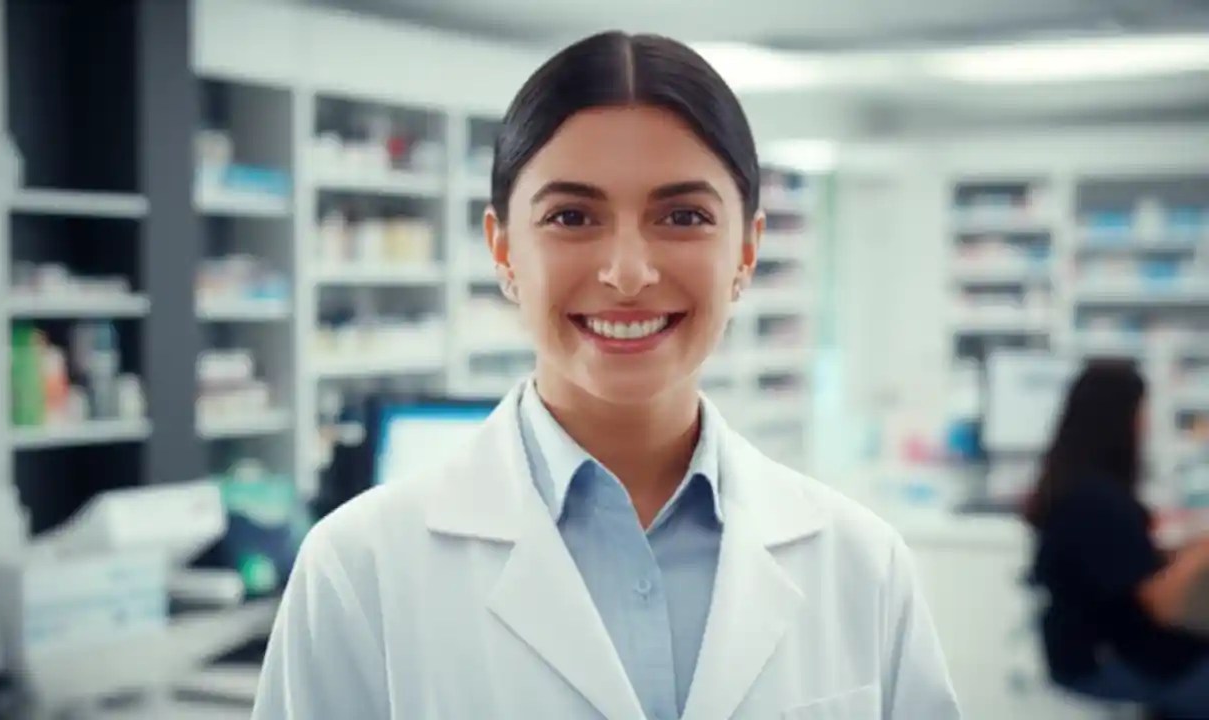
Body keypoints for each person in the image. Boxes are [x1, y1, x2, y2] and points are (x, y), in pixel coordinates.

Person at [252, 31, 961, 720]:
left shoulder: (861, 568)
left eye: (683, 216)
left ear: (747, 250)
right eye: (571, 216)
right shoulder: (359, 571)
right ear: (502, 250)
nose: (627, 273)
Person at [1026, 360, 1209, 717]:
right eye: (1141, 413)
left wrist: (1179, 552)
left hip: (1092, 648)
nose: (1145, 425)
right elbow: (1163, 604)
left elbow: (1127, 565)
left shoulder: (1078, 491)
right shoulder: (1097, 503)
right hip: (1107, 659)